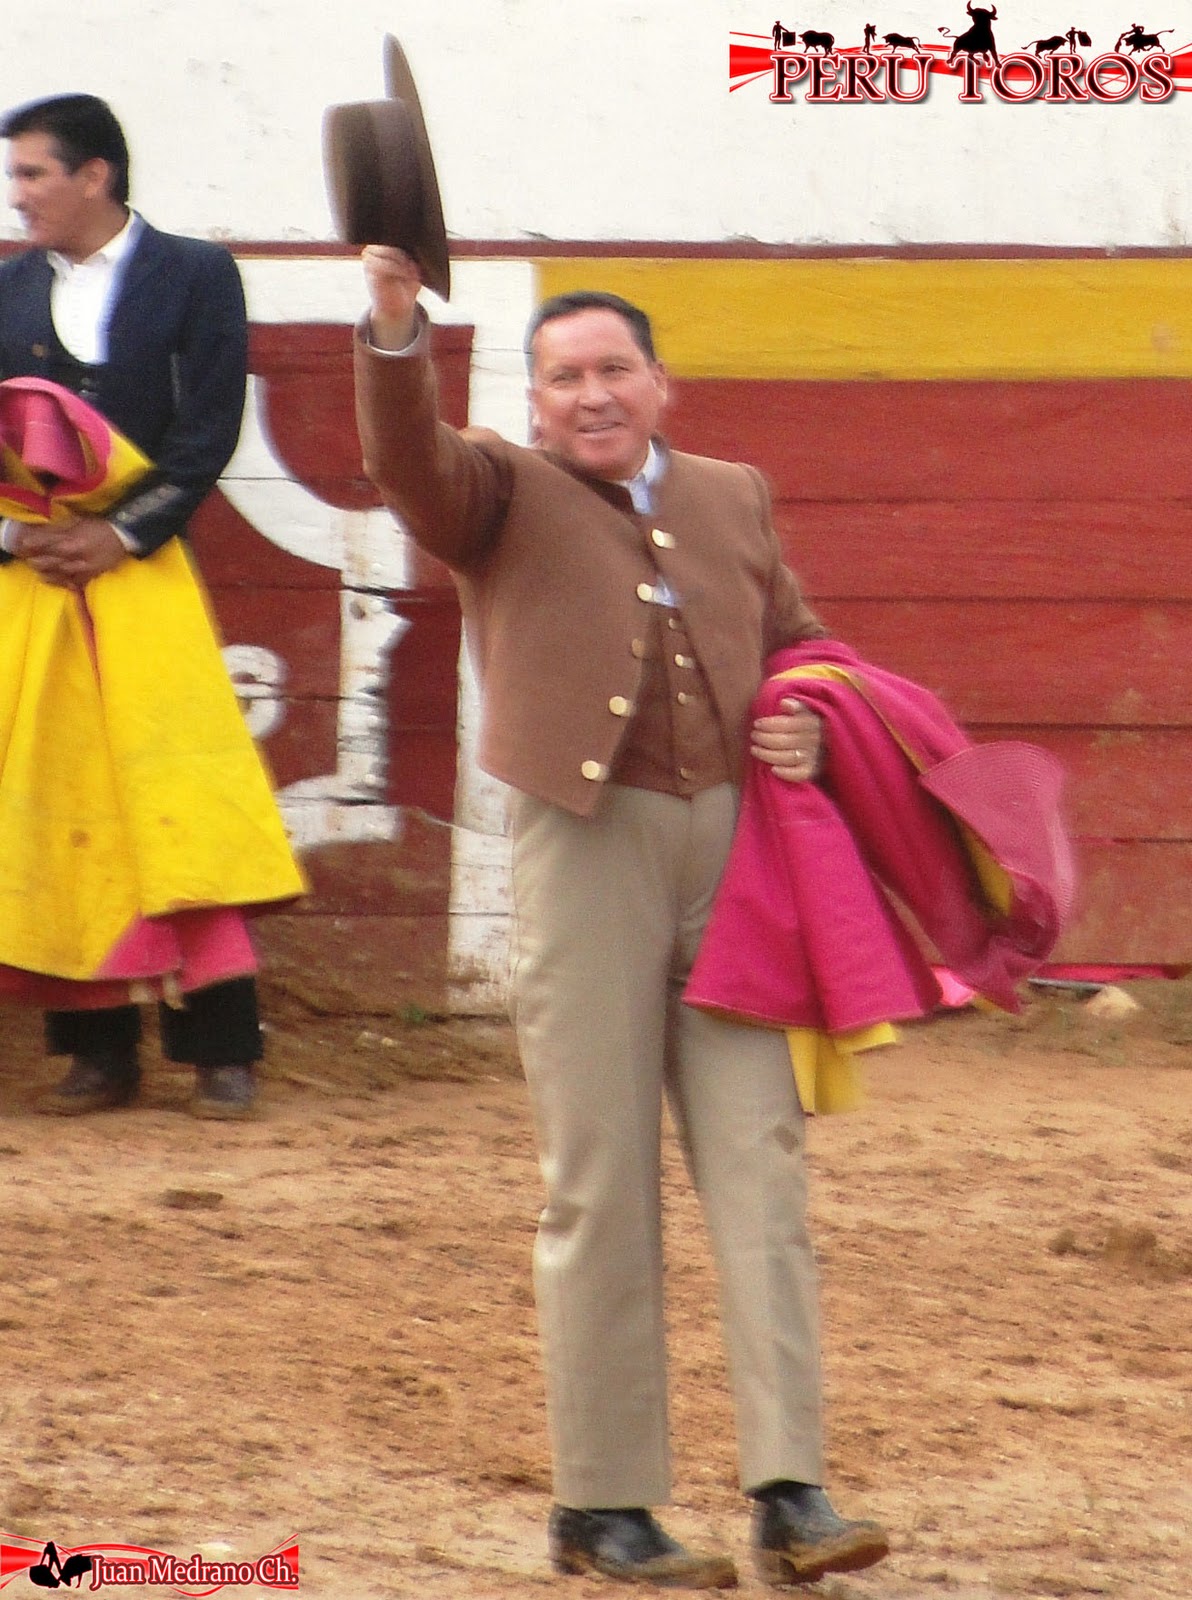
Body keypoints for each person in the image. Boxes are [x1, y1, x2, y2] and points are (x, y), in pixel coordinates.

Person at [353, 248, 890, 1589]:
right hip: (582, 852)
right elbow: (406, 460)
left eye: (614, 372)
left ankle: (792, 1490)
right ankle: (603, 1507)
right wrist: (395, 326)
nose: (592, 396)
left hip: (734, 861)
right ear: (532, 405)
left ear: (662, 386)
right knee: (600, 1179)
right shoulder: (492, 486)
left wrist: (809, 724)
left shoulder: (731, 496)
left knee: (759, 1168)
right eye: (566, 378)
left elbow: (807, 647)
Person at [0, 94, 271, 1119]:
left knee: (180, 804)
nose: (17, 195)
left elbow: (207, 433)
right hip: (34, 581)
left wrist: (120, 533)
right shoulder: (7, 289)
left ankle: (220, 1045)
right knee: (61, 802)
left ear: (95, 175)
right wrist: (17, 538)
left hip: (143, 577)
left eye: (31, 174)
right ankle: (98, 1052)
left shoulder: (194, 273)